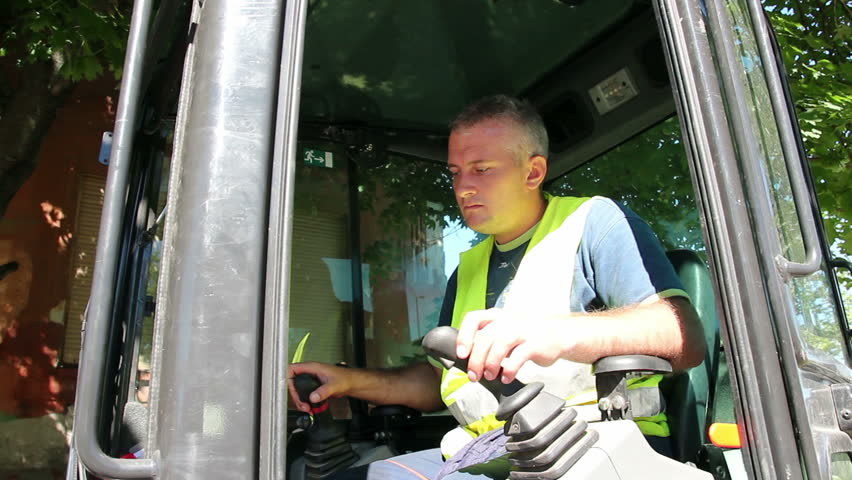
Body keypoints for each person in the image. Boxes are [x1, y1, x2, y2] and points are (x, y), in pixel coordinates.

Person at [288, 94, 706, 479]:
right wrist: (347, 382)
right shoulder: (468, 269)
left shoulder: (596, 223)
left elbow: (681, 335)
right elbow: (441, 385)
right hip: (489, 452)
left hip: (592, 449)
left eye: (482, 170)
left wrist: (552, 333)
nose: (463, 187)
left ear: (533, 171)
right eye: (455, 173)